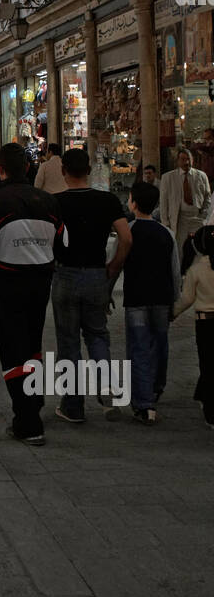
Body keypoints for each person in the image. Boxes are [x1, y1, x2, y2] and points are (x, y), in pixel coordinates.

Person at [0, 141, 64, 446]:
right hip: (40, 286)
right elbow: (63, 245)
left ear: (0, 167)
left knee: (11, 350)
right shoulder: (49, 202)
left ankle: (27, 420)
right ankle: (33, 404)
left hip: (7, 285)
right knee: (32, 345)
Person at [49, 148, 132, 423]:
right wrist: (114, 267)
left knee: (69, 342)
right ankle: (108, 395)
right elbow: (126, 238)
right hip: (97, 274)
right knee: (97, 335)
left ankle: (73, 406)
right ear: (88, 171)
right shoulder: (106, 201)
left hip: (65, 276)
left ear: (63, 172)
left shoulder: (54, 203)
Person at [123, 181, 181, 425]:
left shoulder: (129, 230)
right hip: (161, 298)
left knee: (138, 348)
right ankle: (156, 388)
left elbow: (117, 262)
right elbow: (175, 270)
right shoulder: (166, 233)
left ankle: (143, 402)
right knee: (160, 343)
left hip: (136, 298)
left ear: (134, 203)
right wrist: (175, 299)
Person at [173, 223, 214, 429]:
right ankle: (201, 393)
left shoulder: (196, 270)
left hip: (205, 323)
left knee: (207, 364)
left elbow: (186, 299)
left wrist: (172, 314)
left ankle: (210, 411)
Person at [159, 148, 211, 251]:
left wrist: (203, 215)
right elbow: (163, 203)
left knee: (197, 249)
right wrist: (166, 223)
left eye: (188, 159)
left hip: (197, 218)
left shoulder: (201, 176)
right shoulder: (168, 178)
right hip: (179, 219)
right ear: (177, 161)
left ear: (192, 160)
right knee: (180, 250)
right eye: (183, 159)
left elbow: (207, 197)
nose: (186, 162)